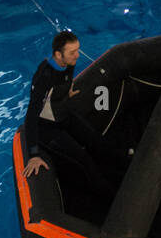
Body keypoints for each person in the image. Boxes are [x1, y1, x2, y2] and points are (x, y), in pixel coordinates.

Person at [22, 30, 116, 198]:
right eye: (72, 52)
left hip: (63, 112)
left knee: (96, 140)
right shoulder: (44, 77)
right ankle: (110, 195)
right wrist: (33, 155)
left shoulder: (68, 63)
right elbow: (31, 116)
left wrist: (65, 94)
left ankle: (120, 167)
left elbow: (64, 81)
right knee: (84, 161)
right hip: (47, 127)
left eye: (78, 50)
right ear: (58, 54)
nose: (77, 55)